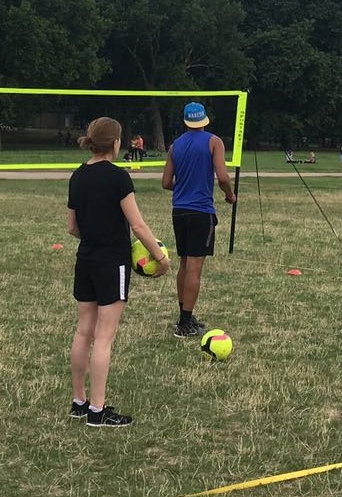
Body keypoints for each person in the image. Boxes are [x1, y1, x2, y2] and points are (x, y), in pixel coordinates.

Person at [66, 116, 169, 428]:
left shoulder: (78, 175)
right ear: (115, 144)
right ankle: (97, 411)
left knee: (84, 331)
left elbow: (72, 228)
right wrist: (159, 257)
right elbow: (137, 224)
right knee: (104, 337)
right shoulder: (118, 177)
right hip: (112, 262)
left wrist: (95, 235)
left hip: (86, 258)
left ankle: (79, 401)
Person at [161, 102, 237, 338]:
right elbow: (223, 176)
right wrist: (230, 195)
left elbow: (166, 183)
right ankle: (185, 323)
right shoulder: (214, 142)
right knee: (195, 268)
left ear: (185, 122)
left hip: (179, 211)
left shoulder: (175, 146)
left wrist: (183, 186)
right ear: (204, 120)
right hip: (201, 211)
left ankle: (185, 315)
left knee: (184, 264)